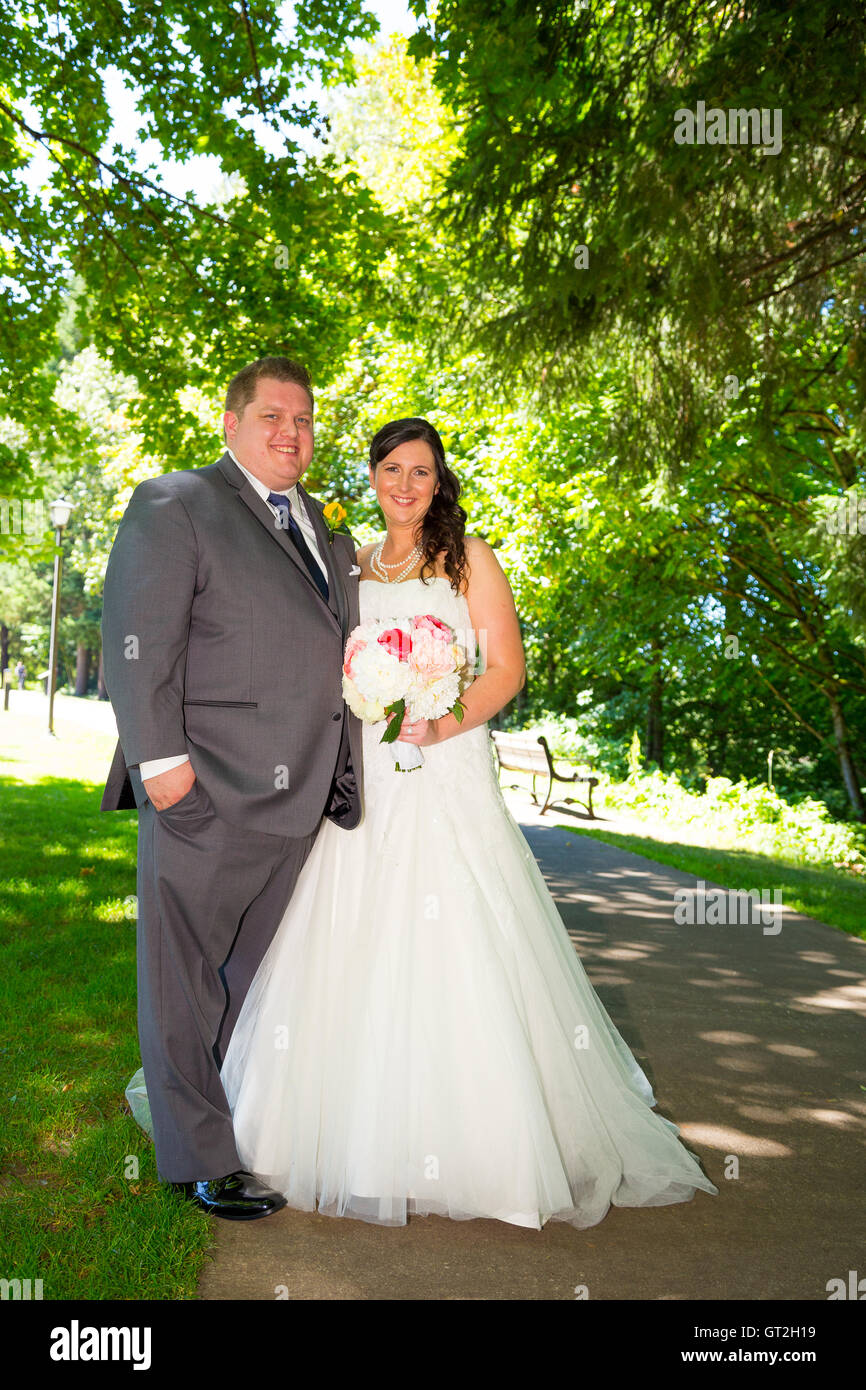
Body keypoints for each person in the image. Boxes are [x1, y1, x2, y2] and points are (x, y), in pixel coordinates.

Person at [220, 417, 719, 1230]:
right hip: (366, 775)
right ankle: (339, 1131)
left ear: (439, 479)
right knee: (351, 930)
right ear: (372, 475)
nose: (405, 485)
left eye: (422, 471)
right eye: (392, 469)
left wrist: (442, 720)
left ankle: (483, 1146)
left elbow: (505, 666)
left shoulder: (467, 558)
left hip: (446, 766)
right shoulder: (348, 559)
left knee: (462, 933)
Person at [101, 356, 363, 1220]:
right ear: (231, 423)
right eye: (272, 418)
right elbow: (139, 636)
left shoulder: (322, 528)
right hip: (203, 787)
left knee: (252, 982)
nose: (292, 434)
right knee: (181, 981)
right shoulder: (177, 502)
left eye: (305, 421)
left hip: (299, 797)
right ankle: (196, 1159)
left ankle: (228, 1122)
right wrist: (159, 763)